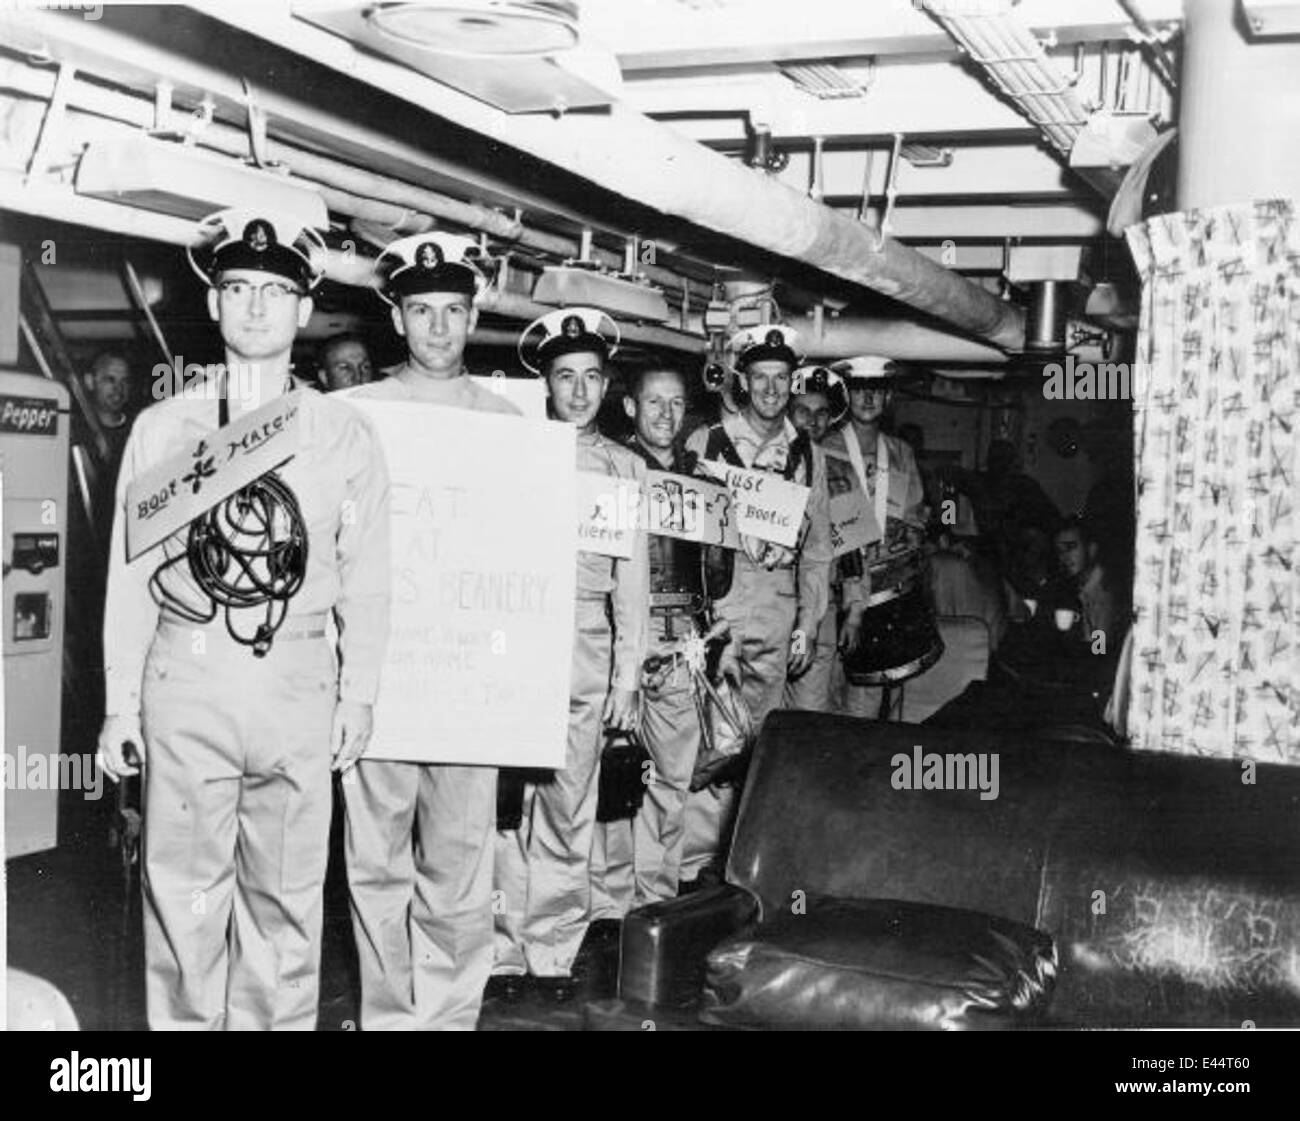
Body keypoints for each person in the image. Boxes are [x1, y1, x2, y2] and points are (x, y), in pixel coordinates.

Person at [96, 209, 391, 1030]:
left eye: (275, 291)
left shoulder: (341, 434)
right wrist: (120, 701)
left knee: (288, 910)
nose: (256, 306)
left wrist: (359, 693)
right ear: (215, 304)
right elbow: (127, 578)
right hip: (188, 682)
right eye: (237, 288)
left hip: (298, 685)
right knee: (184, 910)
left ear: (303, 310)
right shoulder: (163, 429)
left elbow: (369, 577)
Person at [343, 232, 519, 1031]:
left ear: (474, 315)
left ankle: (449, 1017)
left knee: (459, 862)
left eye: (454, 311)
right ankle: (387, 1019)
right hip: (379, 677)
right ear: (398, 318)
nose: (439, 328)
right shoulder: (357, 415)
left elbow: (528, 562)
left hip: (467, 681)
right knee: (376, 863)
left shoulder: (509, 421)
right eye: (422, 311)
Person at [493, 308, 648, 1003]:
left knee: (566, 801)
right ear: (545, 382)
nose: (578, 391)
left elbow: (635, 586)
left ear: (608, 384)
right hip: (513, 635)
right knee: (502, 805)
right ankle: (499, 947)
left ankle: (551, 952)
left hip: (584, 644)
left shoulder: (625, 468)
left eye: (591, 377)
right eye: (565, 376)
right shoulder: (512, 450)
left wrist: (628, 674)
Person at [681, 326, 831, 882]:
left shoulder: (807, 455)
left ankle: (738, 862)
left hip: (776, 606)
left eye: (782, 379)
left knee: (757, 742)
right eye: (761, 378)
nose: (771, 390)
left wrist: (808, 623)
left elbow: (818, 554)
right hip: (719, 604)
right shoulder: (706, 442)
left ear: (793, 384)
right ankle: (694, 863)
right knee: (707, 731)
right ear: (743, 380)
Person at [604, 364, 733, 907]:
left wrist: (724, 537)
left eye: (676, 404)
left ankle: (653, 903)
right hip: (618, 639)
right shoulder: (609, 470)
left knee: (670, 782)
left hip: (682, 643)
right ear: (631, 407)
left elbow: (721, 579)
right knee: (610, 780)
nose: (665, 414)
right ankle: (605, 902)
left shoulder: (705, 482)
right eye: (653, 402)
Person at [822, 356, 928, 720]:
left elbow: (915, 520)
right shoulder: (822, 447)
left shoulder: (901, 454)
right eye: (859, 389)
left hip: (880, 596)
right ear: (845, 395)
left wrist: (903, 537)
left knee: (864, 710)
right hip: (829, 592)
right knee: (818, 702)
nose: (867, 398)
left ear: (888, 398)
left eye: (877, 390)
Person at [783, 364, 845, 712]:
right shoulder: (771, 463)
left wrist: (854, 604)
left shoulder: (839, 471)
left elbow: (849, 548)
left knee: (809, 718)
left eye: (822, 413)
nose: (813, 421)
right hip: (775, 604)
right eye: (803, 411)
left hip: (821, 609)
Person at [1053, 516, 1120, 651]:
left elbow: (1099, 648)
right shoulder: (1084, 587)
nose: (1064, 557)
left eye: (1071, 547)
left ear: (1091, 549)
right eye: (1060, 551)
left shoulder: (1103, 592)